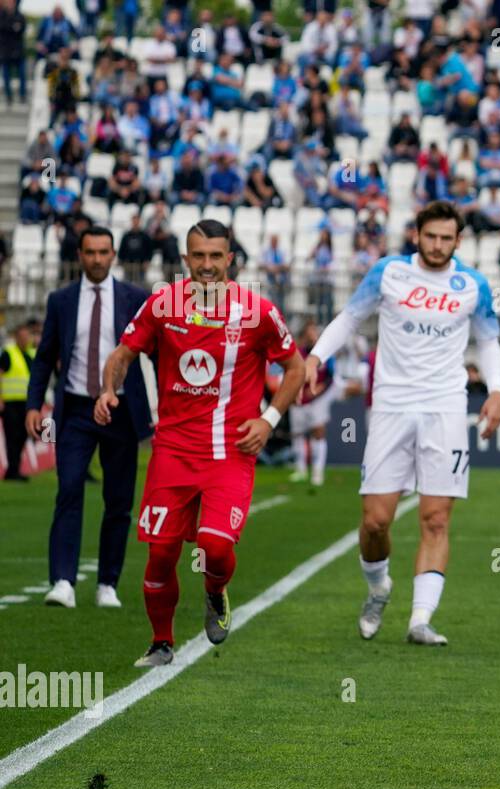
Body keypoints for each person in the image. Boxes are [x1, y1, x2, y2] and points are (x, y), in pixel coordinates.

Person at [94, 220, 305, 666]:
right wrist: (109, 389)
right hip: (172, 450)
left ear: (230, 259)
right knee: (162, 552)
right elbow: (122, 354)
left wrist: (269, 419)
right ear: (185, 259)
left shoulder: (257, 312)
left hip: (231, 451)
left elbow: (296, 368)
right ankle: (161, 641)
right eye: (198, 256)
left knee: (216, 546)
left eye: (215, 256)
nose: (206, 265)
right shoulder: (163, 305)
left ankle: (214, 591)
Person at [304, 201, 500, 647]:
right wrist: (316, 357)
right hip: (392, 406)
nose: (437, 245)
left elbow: (489, 340)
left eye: (446, 238)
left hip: (446, 408)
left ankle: (420, 619)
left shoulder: (472, 284)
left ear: (458, 240)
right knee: (376, 520)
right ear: (416, 235)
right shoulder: (388, 272)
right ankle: (378, 588)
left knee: (436, 519)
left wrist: (497, 389)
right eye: (430, 236)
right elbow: (350, 318)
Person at [25, 227, 151, 609]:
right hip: (76, 409)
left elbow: (157, 354)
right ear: (79, 255)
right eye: (90, 252)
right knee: (69, 491)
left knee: (118, 500)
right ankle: (62, 581)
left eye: (103, 252)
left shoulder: (135, 298)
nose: (97, 259)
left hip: (122, 410)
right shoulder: (61, 300)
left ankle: (107, 584)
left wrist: (168, 410)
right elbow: (46, 355)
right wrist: (34, 405)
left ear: (114, 255)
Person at [289, 320, 334, 487]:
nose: (312, 336)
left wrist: (318, 390)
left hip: (317, 400)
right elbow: (290, 372)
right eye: (309, 333)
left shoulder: (324, 355)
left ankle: (317, 471)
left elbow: (330, 377)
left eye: (314, 333)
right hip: (299, 399)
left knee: (318, 432)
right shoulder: (298, 353)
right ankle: (300, 469)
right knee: (298, 434)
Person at [1, 319, 39, 480]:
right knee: (12, 437)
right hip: (10, 402)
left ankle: (15, 468)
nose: (25, 339)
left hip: (27, 404)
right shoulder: (9, 353)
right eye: (22, 336)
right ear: (16, 337)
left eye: (27, 336)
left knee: (24, 435)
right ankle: (13, 470)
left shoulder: (31, 353)